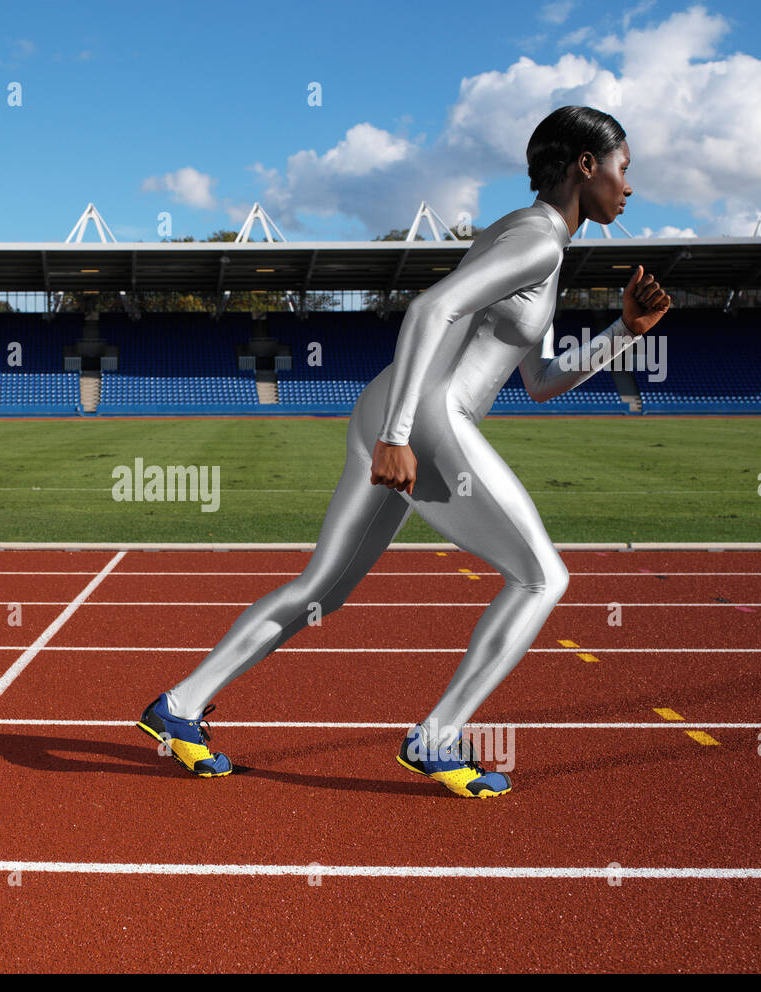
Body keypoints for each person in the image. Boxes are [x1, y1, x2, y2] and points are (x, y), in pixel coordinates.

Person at [136, 105, 672, 795]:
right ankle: (437, 739)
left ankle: (176, 707)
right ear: (586, 166)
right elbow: (429, 310)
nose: (630, 189)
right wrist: (398, 434)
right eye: (624, 171)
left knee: (319, 591)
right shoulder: (537, 241)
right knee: (544, 578)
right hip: (422, 419)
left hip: (395, 408)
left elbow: (538, 382)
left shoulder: (532, 238)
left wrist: (624, 331)